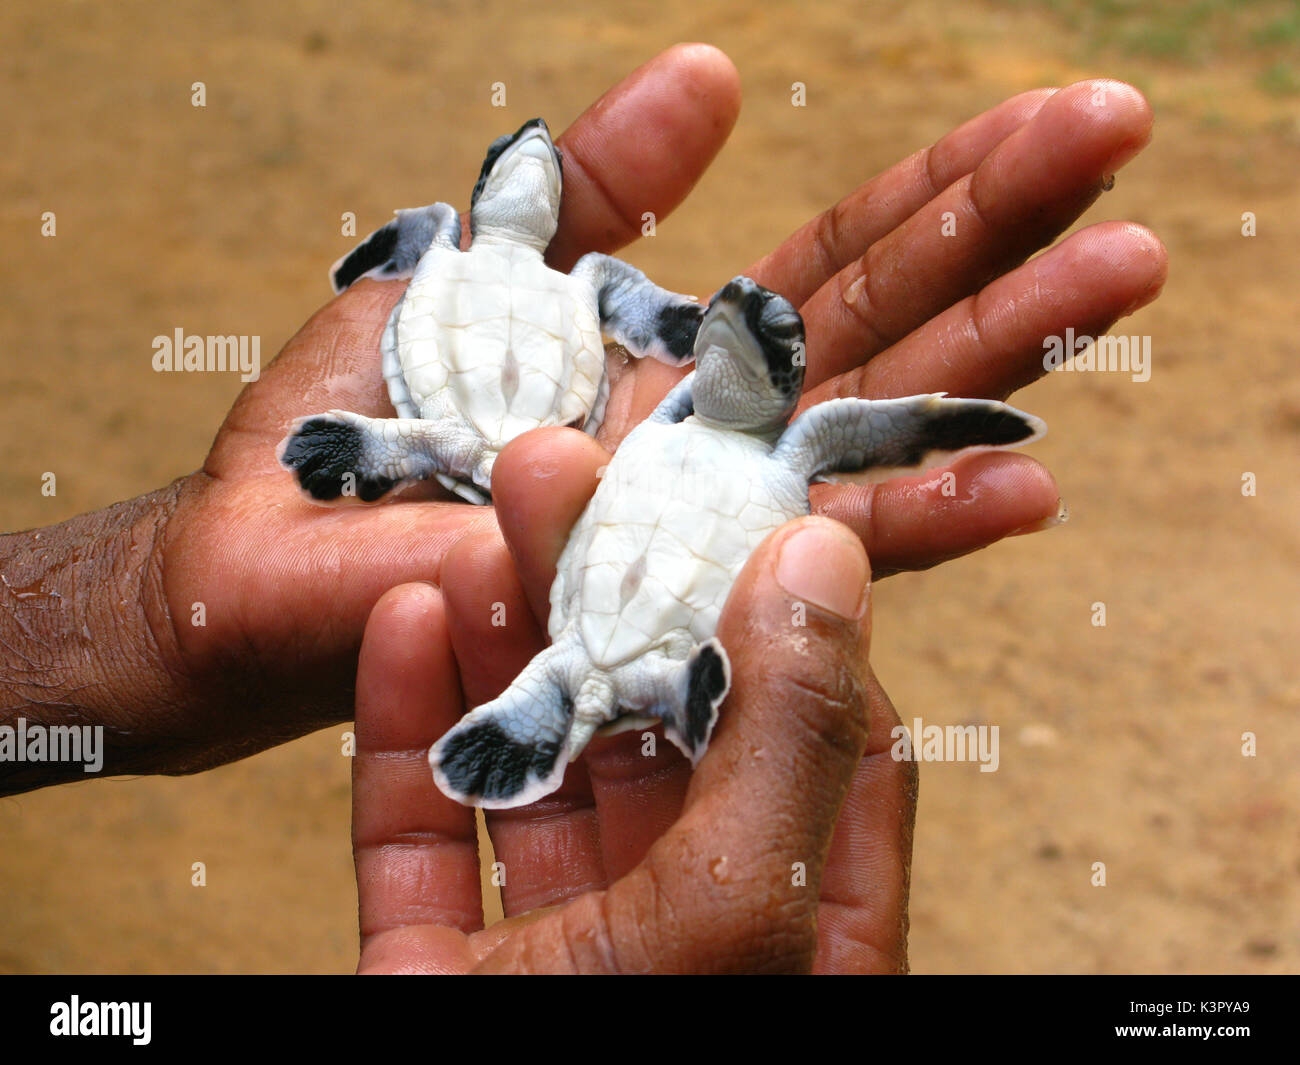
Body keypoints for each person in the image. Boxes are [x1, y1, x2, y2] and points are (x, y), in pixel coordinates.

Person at [0, 45, 1165, 972]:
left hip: (593, 530)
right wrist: (152, 613)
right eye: (722, 336)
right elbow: (620, 389)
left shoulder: (747, 426)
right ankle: (602, 673)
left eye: (737, 338)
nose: (532, 166)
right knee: (580, 556)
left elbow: (860, 420)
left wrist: (958, 422)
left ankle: (587, 683)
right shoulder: (656, 406)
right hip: (572, 499)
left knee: (591, 614)